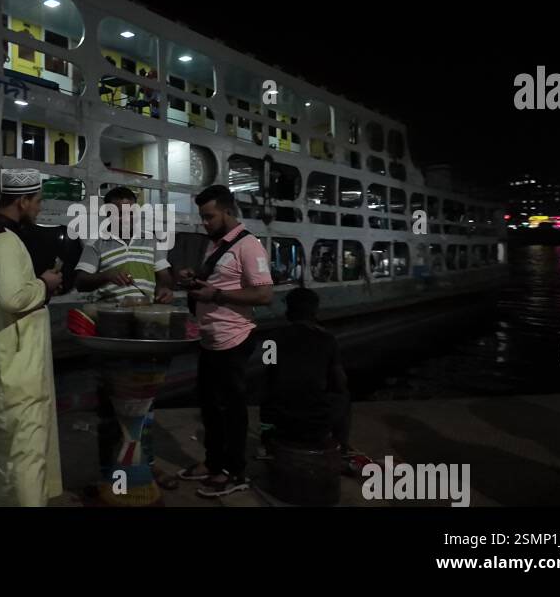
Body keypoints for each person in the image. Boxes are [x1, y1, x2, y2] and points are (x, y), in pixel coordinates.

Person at [0, 168, 64, 507]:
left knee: (3, 448)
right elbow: (11, 299)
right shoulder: (5, 241)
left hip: (2, 359)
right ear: (22, 201)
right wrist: (46, 284)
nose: (39, 208)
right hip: (18, 364)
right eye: (37, 201)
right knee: (26, 450)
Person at [74, 186, 176, 492]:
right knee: (109, 407)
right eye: (118, 210)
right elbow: (80, 281)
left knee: (144, 405)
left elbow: (165, 275)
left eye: (130, 209)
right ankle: (109, 472)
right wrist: (106, 275)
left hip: (147, 334)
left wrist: (166, 288)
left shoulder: (151, 240)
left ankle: (148, 463)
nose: (125, 214)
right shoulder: (97, 245)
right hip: (112, 335)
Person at [176, 185, 273, 497]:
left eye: (209, 216)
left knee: (232, 411)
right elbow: (219, 280)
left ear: (229, 212)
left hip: (234, 338)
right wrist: (196, 279)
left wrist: (215, 294)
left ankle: (234, 471)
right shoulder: (217, 244)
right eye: (203, 216)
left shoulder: (250, 246)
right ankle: (213, 462)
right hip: (210, 339)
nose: (204, 222)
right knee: (210, 407)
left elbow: (263, 294)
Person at [258, 288, 360, 470]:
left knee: (267, 395)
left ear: (288, 312)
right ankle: (341, 448)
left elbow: (269, 377)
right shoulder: (328, 340)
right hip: (316, 423)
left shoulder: (270, 340)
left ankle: (266, 442)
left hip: (281, 419)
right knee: (344, 396)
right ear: (314, 312)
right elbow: (340, 382)